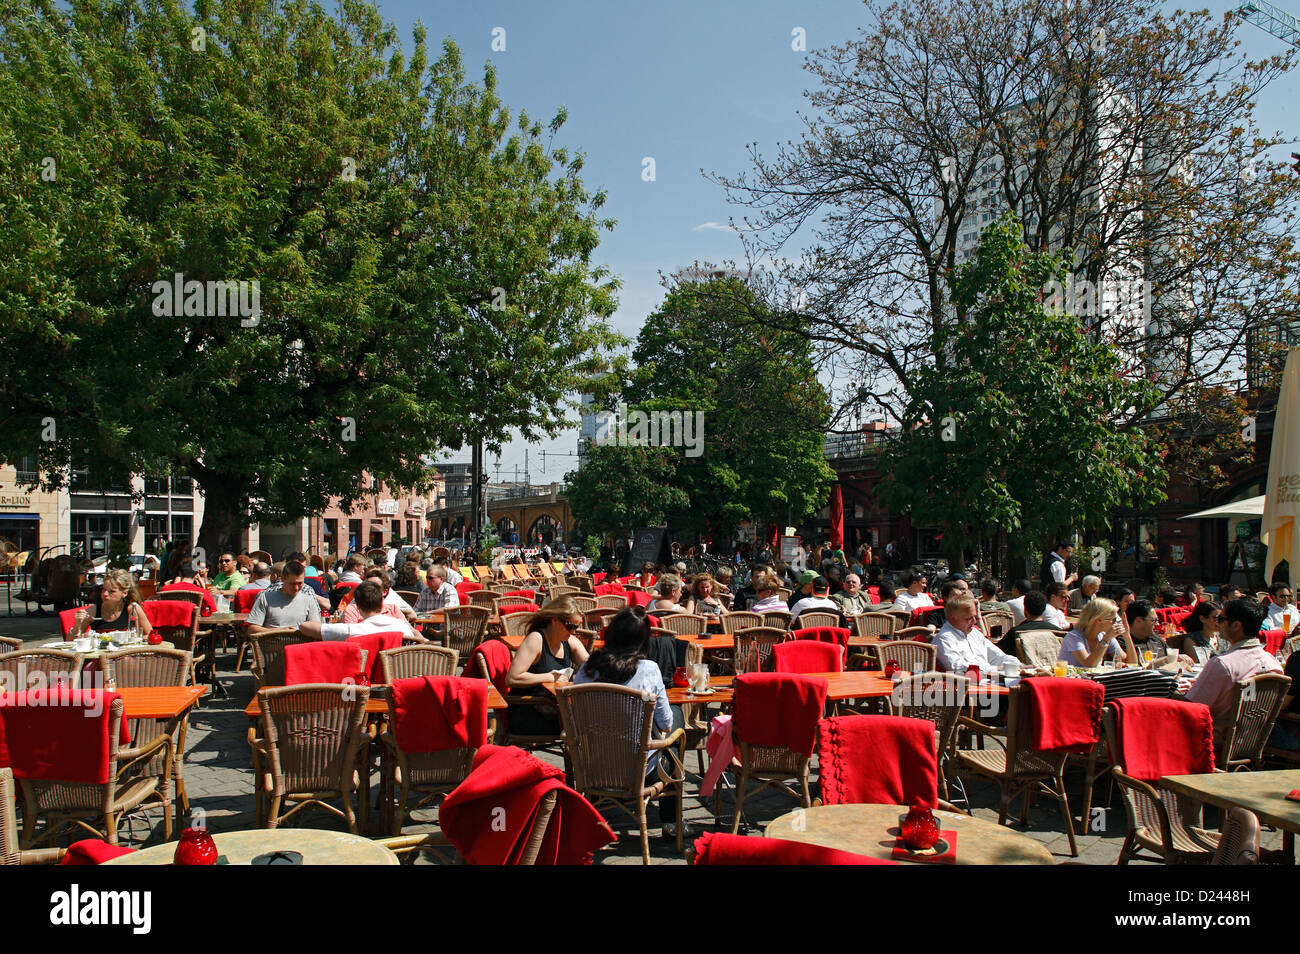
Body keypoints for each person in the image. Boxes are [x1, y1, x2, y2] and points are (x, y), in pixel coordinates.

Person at [573, 605, 683, 836]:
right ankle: (670, 822)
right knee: (676, 727)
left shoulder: (586, 669)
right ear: (644, 640)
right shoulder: (649, 669)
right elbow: (666, 725)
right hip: (637, 770)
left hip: (594, 766)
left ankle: (594, 805)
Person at [1184, 598, 1283, 753]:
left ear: (1236, 625)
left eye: (1221, 619)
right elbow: (1250, 698)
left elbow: (1189, 708)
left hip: (1213, 744)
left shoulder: (1223, 664)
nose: (1217, 623)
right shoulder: (1273, 664)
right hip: (1250, 743)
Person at [505, 597, 590, 736]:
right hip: (529, 713)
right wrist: (550, 677)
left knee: (591, 721)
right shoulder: (536, 639)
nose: (573, 631)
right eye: (570, 626)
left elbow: (590, 665)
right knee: (584, 726)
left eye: (576, 627)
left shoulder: (569, 641)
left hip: (554, 709)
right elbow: (512, 678)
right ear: (555, 619)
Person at [298, 581, 427, 643]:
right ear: (382, 603)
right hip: (398, 675)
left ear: (357, 606)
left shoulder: (352, 630)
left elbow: (305, 626)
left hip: (364, 678)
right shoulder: (402, 626)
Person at [932, 594, 1020, 676]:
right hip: (966, 687)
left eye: (975, 617)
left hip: (989, 680)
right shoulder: (944, 638)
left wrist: (1017, 664)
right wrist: (997, 669)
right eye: (969, 618)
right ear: (953, 618)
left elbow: (997, 656)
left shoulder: (974, 633)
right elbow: (958, 668)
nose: (974, 621)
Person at [245, 559, 323, 634]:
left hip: (299, 646)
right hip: (272, 645)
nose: (296, 588)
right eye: (292, 584)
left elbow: (316, 628)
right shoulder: (265, 598)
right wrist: (280, 631)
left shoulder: (309, 600)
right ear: (282, 579)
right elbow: (252, 629)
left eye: (300, 583)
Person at [71, 568, 153, 637]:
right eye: (103, 589)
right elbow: (69, 641)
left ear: (124, 593)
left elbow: (150, 634)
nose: (105, 594)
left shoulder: (132, 609)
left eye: (111, 591)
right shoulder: (93, 611)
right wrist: (77, 625)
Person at [1059, 598, 1137, 668]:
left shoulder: (1104, 636)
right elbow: (1089, 665)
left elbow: (1131, 664)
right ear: (1099, 620)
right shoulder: (1073, 637)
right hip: (1073, 681)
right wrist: (1106, 640)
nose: (1116, 623)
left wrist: (1127, 636)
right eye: (1113, 620)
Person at [341, 566, 418, 627]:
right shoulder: (353, 607)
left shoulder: (393, 608)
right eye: (367, 585)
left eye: (375, 587)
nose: (369, 588)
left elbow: (412, 616)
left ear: (385, 592)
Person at [999, 591, 1060, 655]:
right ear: (1043, 609)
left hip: (1023, 664)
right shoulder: (1057, 632)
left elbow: (1000, 653)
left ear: (1025, 609)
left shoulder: (1015, 633)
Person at [1181, 600, 1221, 665]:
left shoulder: (1223, 636)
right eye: (1215, 618)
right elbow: (1198, 665)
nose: (1220, 621)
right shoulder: (1192, 639)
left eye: (1221, 618)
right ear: (1203, 619)